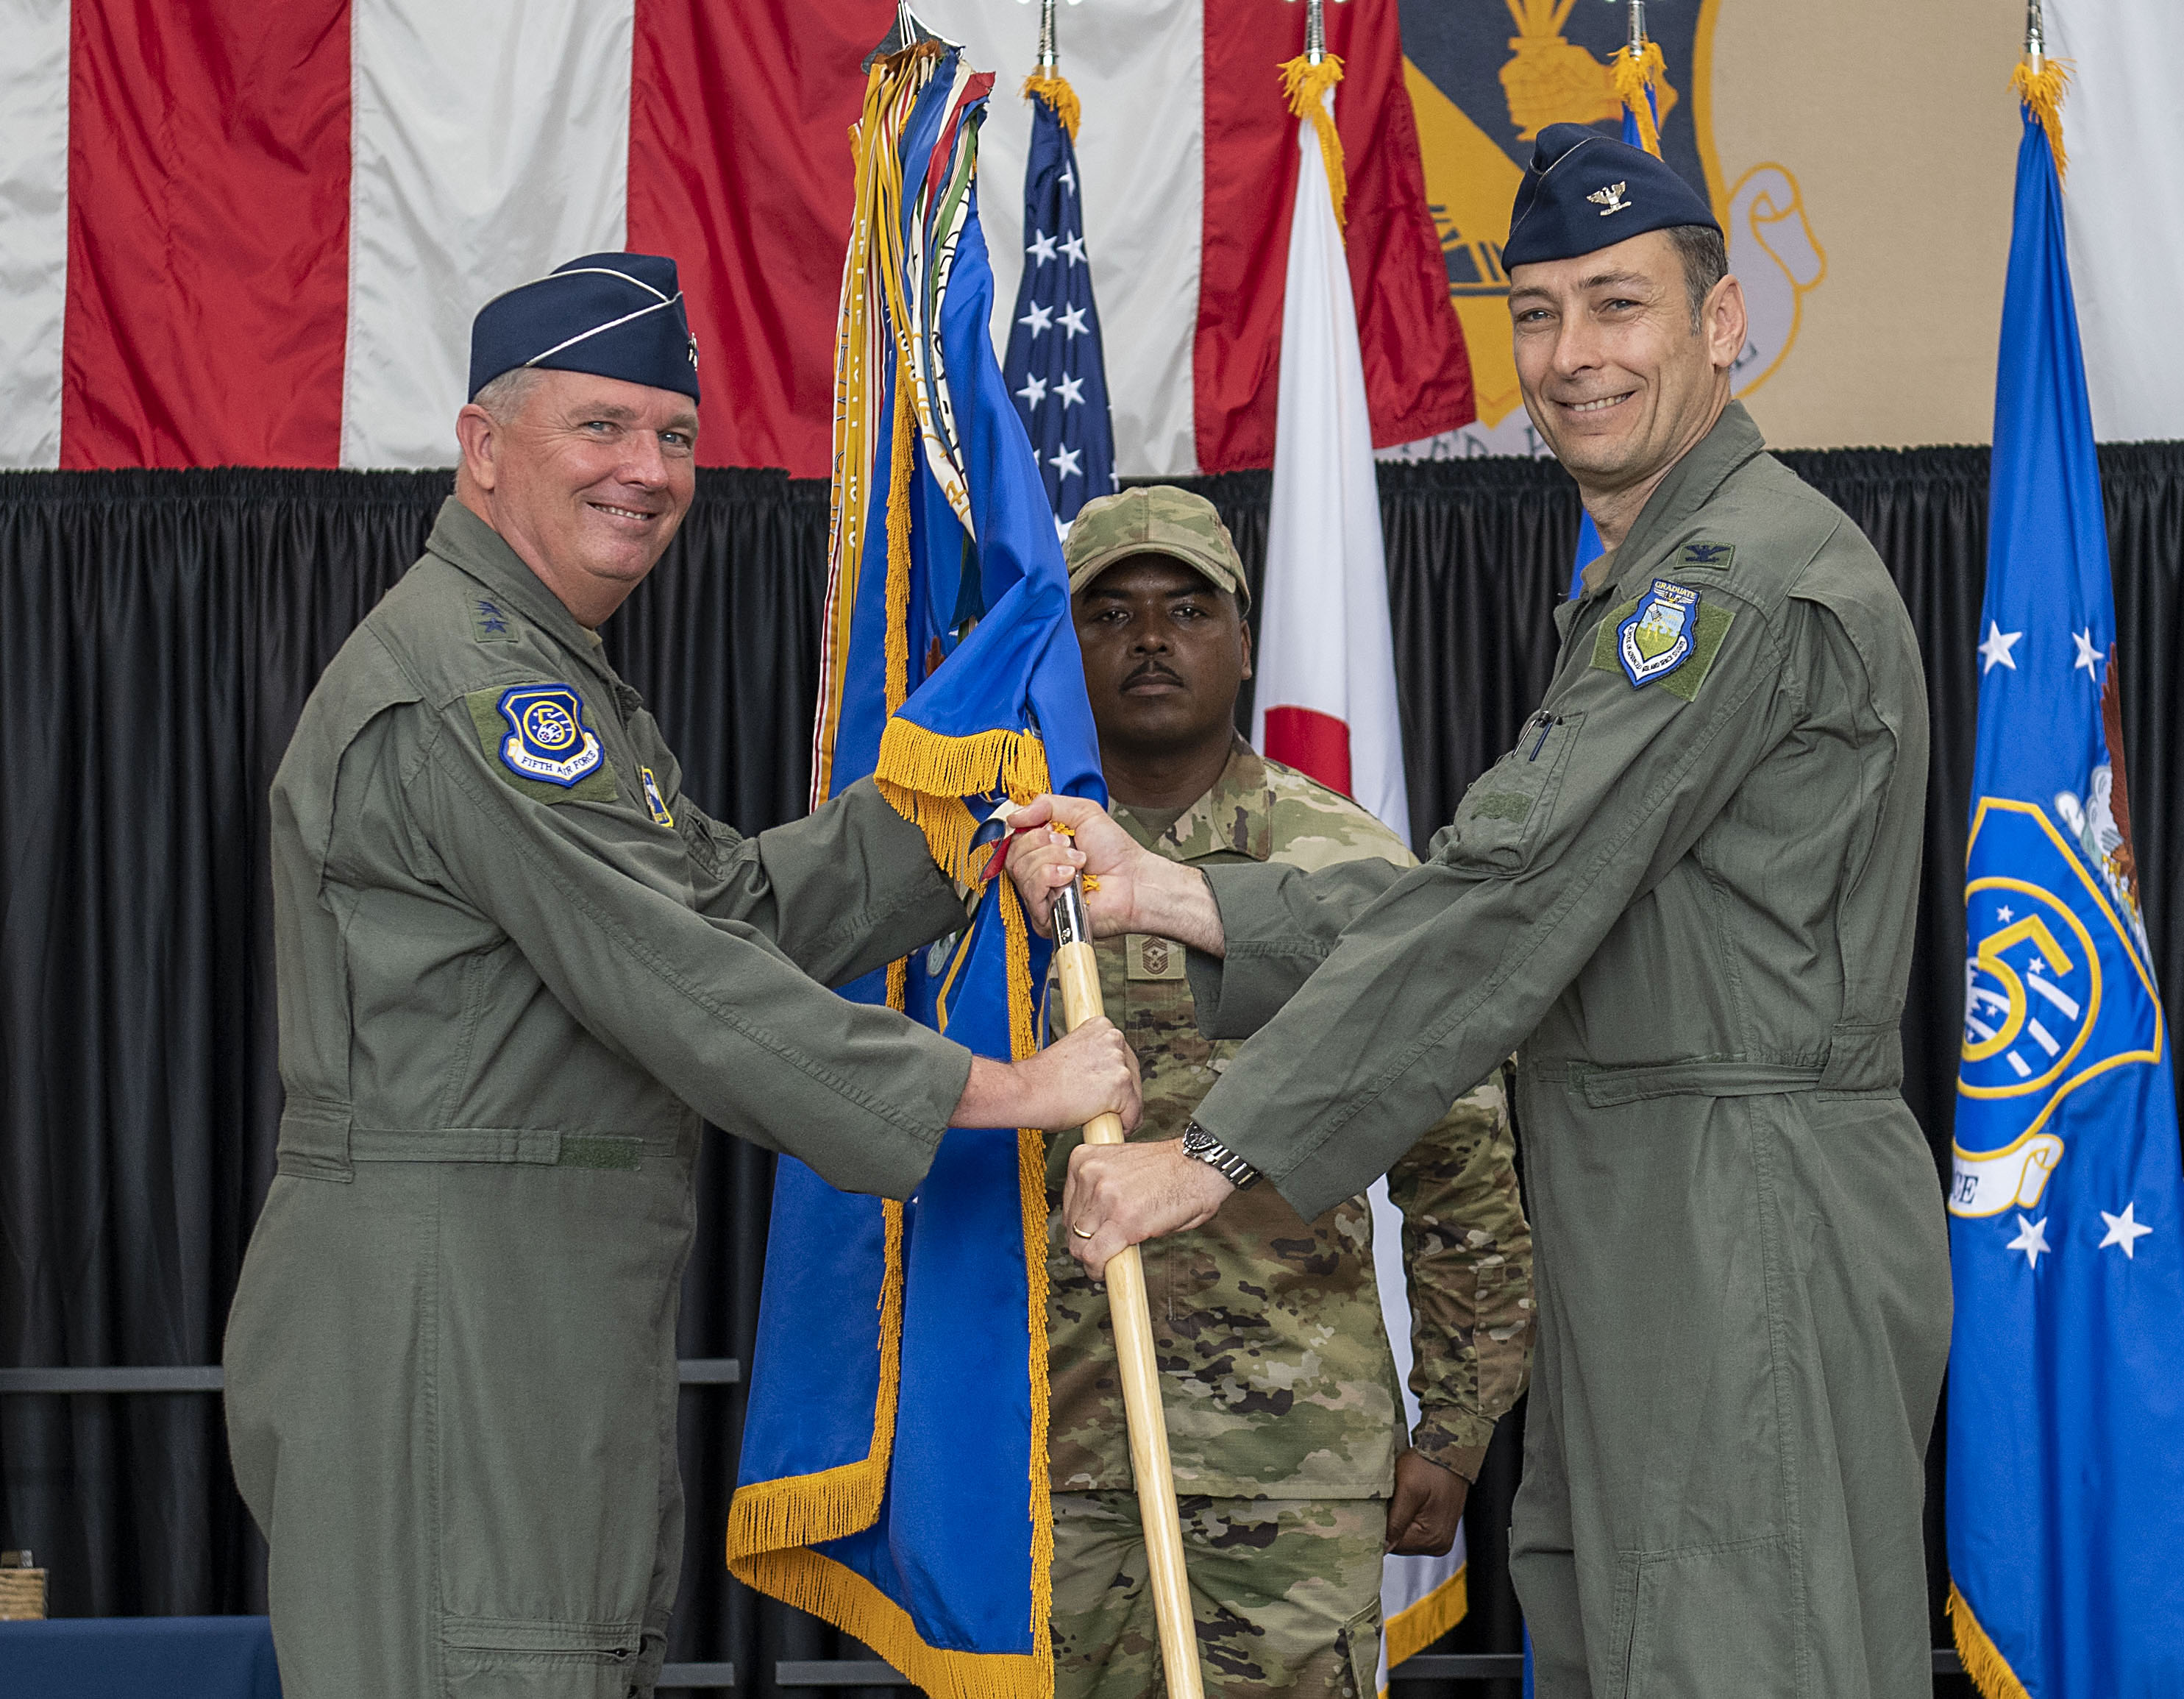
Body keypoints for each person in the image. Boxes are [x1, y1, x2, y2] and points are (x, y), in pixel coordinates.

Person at [1014, 127, 1949, 1698]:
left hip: (1737, 1221)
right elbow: (1506, 905)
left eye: (1615, 305)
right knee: (1632, 1643)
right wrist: (1176, 893)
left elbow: (1508, 904)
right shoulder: (1653, 573)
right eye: (1535, 314)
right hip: (1647, 1216)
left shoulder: (1725, 581)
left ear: (1721, 324)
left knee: (1737, 1655)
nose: (1570, 356)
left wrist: (1213, 1158)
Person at [221, 253, 1139, 1699]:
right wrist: (998, 1089)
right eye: (599, 427)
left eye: (673, 437)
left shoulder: (547, 670)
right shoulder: (482, 692)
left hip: (521, 1305)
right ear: (481, 449)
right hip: (447, 1317)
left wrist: (955, 822)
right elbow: (673, 974)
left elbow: (718, 908)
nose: (645, 471)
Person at [1042, 488, 1534, 1699]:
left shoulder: (1347, 867)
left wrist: (1454, 1426)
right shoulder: (1001, 862)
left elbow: (1461, 1169)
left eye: (1187, 610)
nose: (1151, 639)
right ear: (1065, 645)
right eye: (1110, 612)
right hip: (1039, 1453)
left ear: (1245, 640)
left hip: (1285, 1459)